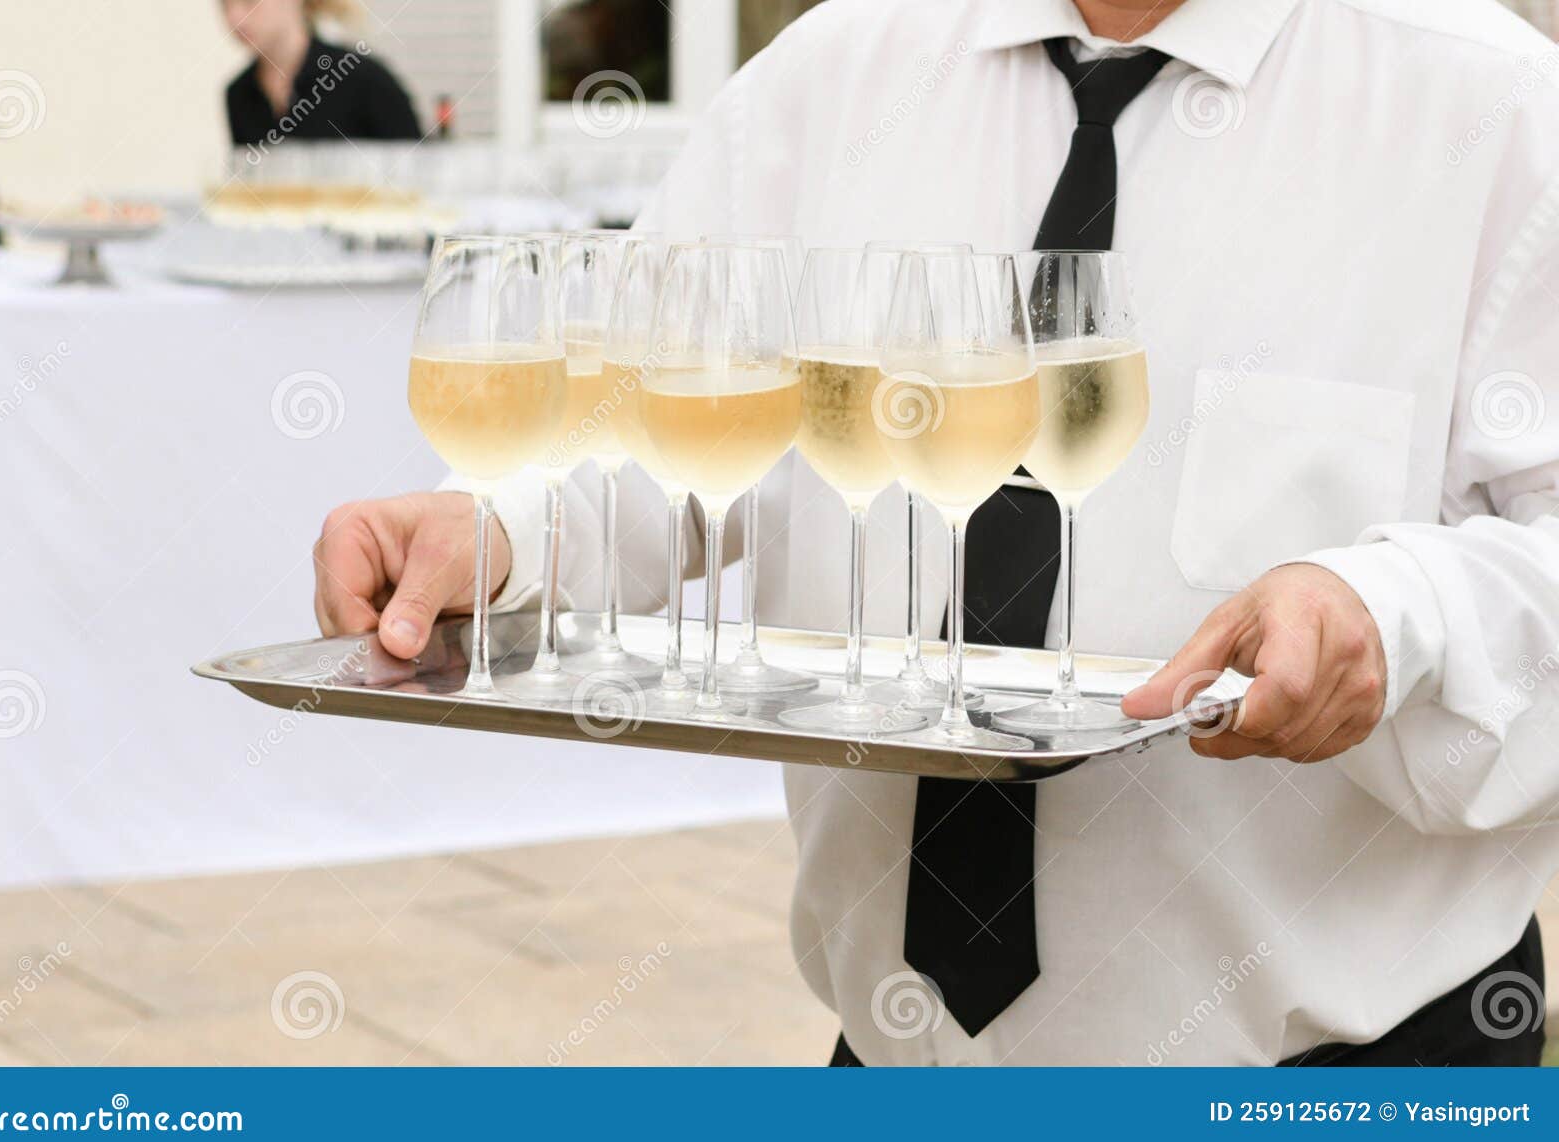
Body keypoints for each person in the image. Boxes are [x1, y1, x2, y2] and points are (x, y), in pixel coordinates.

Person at [313, 0, 1559, 1065]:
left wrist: (1399, 616)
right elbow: (656, 419)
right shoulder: (834, 69)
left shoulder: (1493, 104)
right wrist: (499, 527)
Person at [221, 0, 421, 146]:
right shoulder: (238, 94)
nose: (234, 17)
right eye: (224, 3)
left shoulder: (365, 80)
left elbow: (420, 179)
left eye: (249, 1)